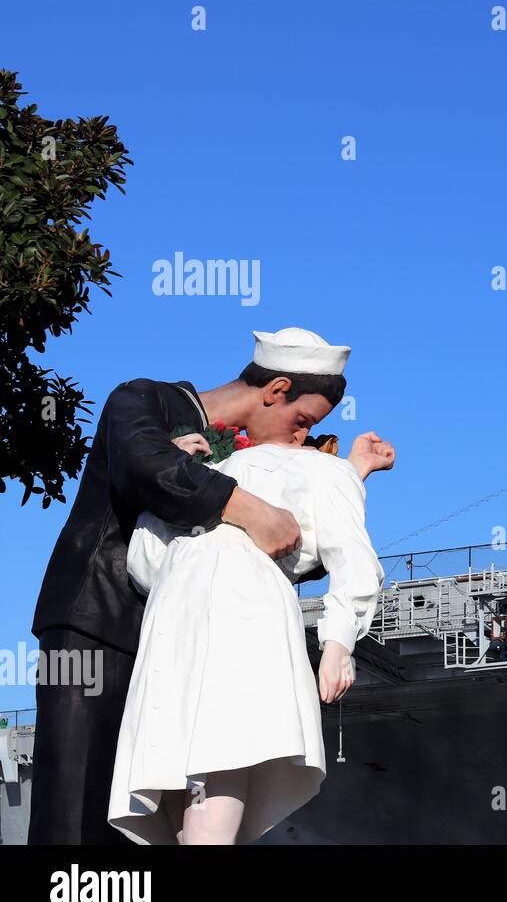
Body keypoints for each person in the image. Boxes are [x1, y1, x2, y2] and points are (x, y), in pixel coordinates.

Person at [27, 327, 349, 845]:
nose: (297, 437)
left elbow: (270, 558)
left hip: (183, 644)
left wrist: (336, 493)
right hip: (98, 624)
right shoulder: (143, 398)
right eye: (300, 420)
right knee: (77, 805)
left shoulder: (253, 461)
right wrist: (254, 509)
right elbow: (148, 466)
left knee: (156, 817)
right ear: (275, 389)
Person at [106, 427, 394, 844]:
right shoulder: (317, 470)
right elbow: (352, 561)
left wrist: (170, 474)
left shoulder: (210, 477)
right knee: (215, 754)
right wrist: (337, 645)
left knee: (183, 759)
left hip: (178, 610)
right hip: (218, 606)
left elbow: (144, 564)